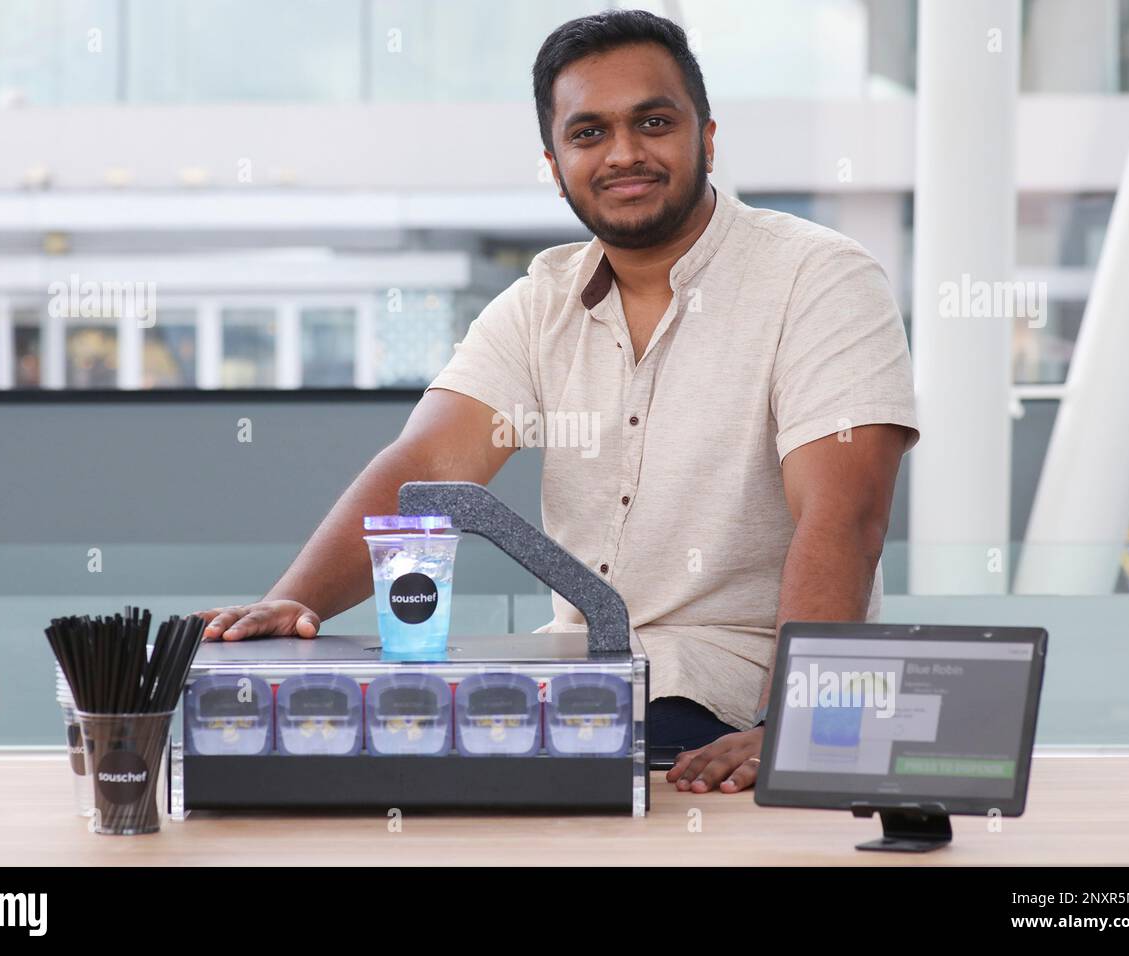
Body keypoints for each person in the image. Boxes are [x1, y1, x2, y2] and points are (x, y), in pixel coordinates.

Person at [198, 9, 919, 795]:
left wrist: (801, 726)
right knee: (329, 758)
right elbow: (424, 471)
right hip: (579, 692)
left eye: (653, 122)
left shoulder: (821, 280)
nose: (624, 154)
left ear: (707, 137)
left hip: (727, 700)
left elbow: (844, 517)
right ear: (554, 161)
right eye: (588, 134)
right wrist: (291, 601)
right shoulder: (540, 300)